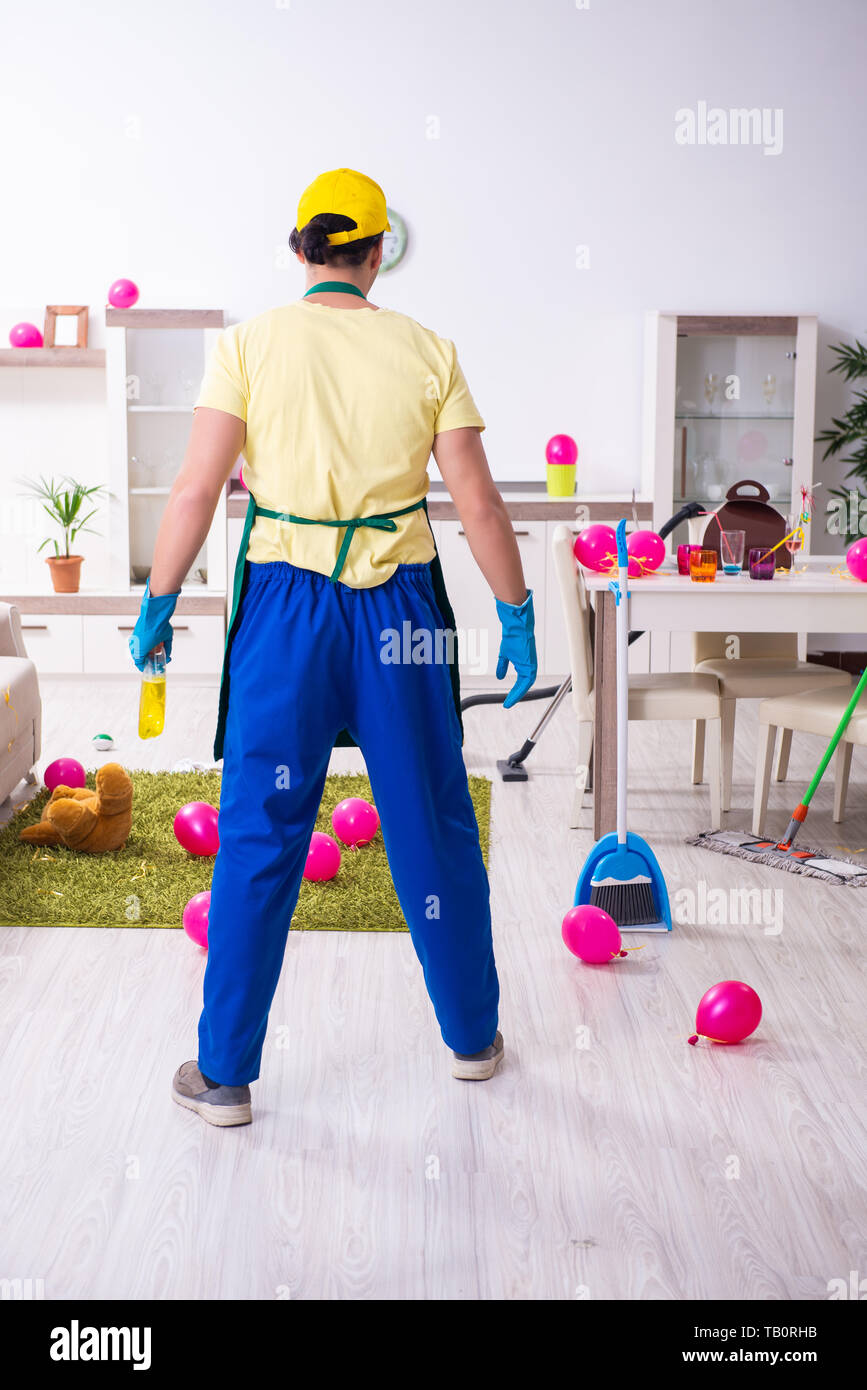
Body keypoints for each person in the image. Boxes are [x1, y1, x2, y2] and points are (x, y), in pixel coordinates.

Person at [130, 168, 537, 1127]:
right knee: (430, 818)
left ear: (300, 248)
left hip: (285, 613)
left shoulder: (248, 345)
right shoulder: (427, 350)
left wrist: (157, 600)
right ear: (376, 252)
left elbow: (195, 490)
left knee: (260, 831)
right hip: (400, 616)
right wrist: (516, 613)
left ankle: (224, 1077)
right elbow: (479, 502)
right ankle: (471, 1040)